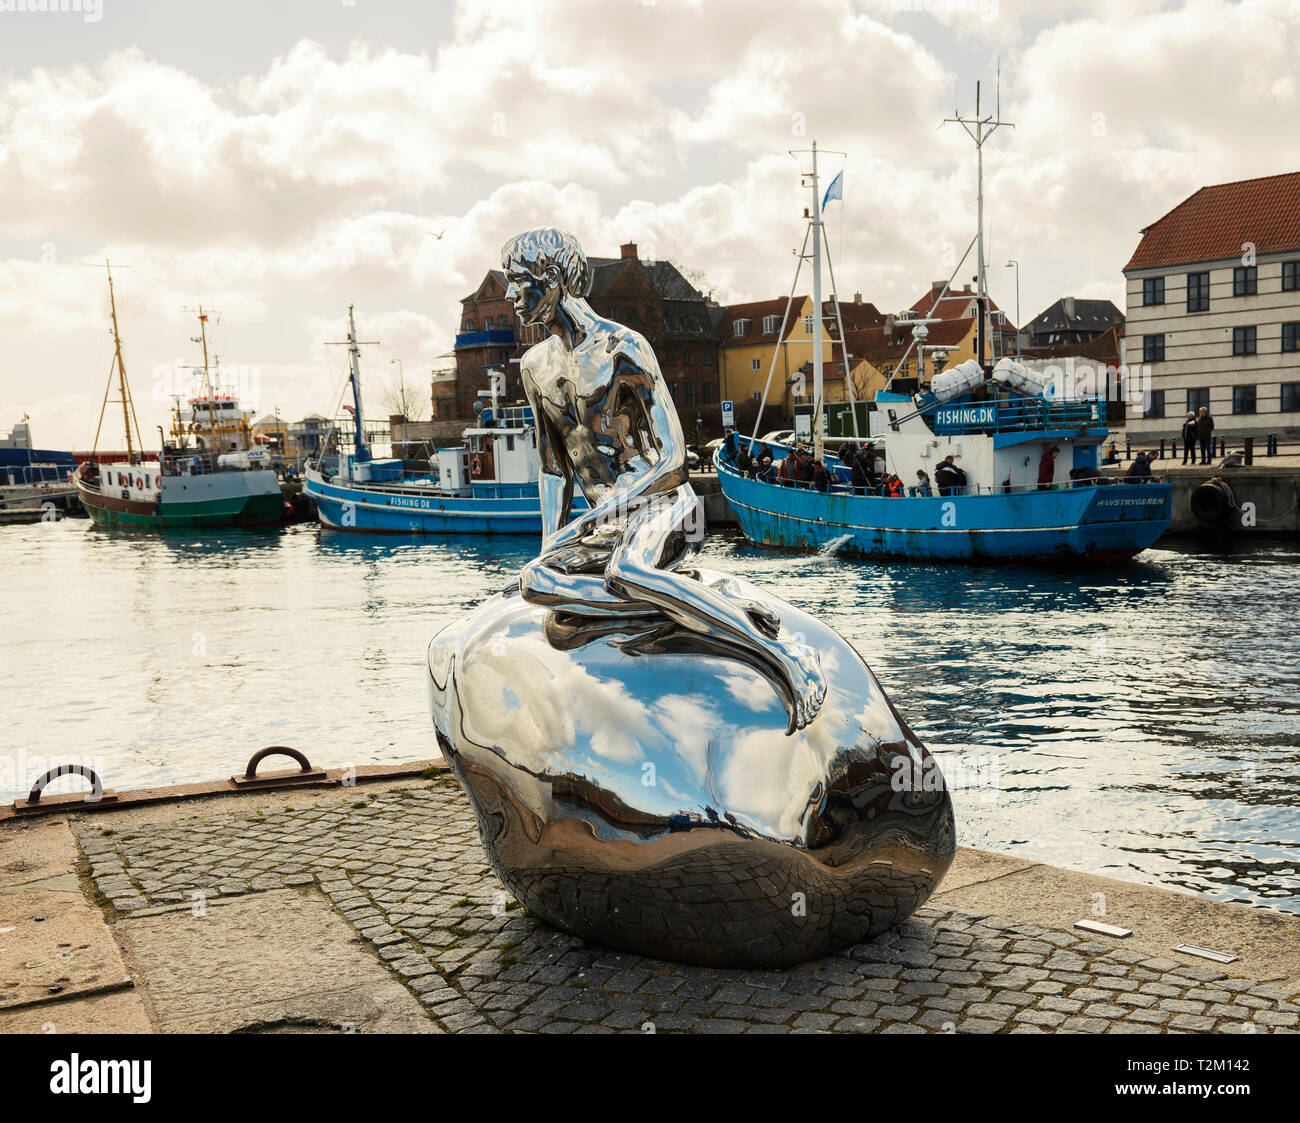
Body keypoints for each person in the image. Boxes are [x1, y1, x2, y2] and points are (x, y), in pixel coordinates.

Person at [504, 226, 824, 730]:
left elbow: (672, 458)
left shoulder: (623, 346)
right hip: (602, 525)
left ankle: (783, 656)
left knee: (627, 572)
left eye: (516, 282)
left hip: (660, 505)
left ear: (552, 278)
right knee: (535, 581)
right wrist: (552, 544)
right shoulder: (533, 366)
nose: (509, 296)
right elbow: (552, 466)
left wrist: (593, 521)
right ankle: (693, 607)